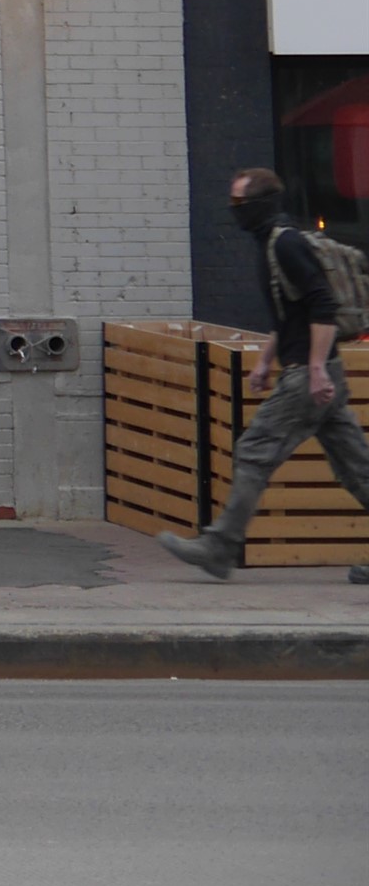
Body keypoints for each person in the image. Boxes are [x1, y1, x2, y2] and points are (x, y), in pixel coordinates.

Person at [161, 168, 369, 580]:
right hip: (315, 372)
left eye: (239, 203)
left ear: (261, 205)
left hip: (308, 377)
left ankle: (219, 548)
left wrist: (313, 369)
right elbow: (289, 314)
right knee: (357, 468)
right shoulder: (275, 242)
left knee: (254, 450)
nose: (233, 210)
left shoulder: (286, 244)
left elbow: (322, 306)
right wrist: (264, 360)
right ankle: (220, 547)